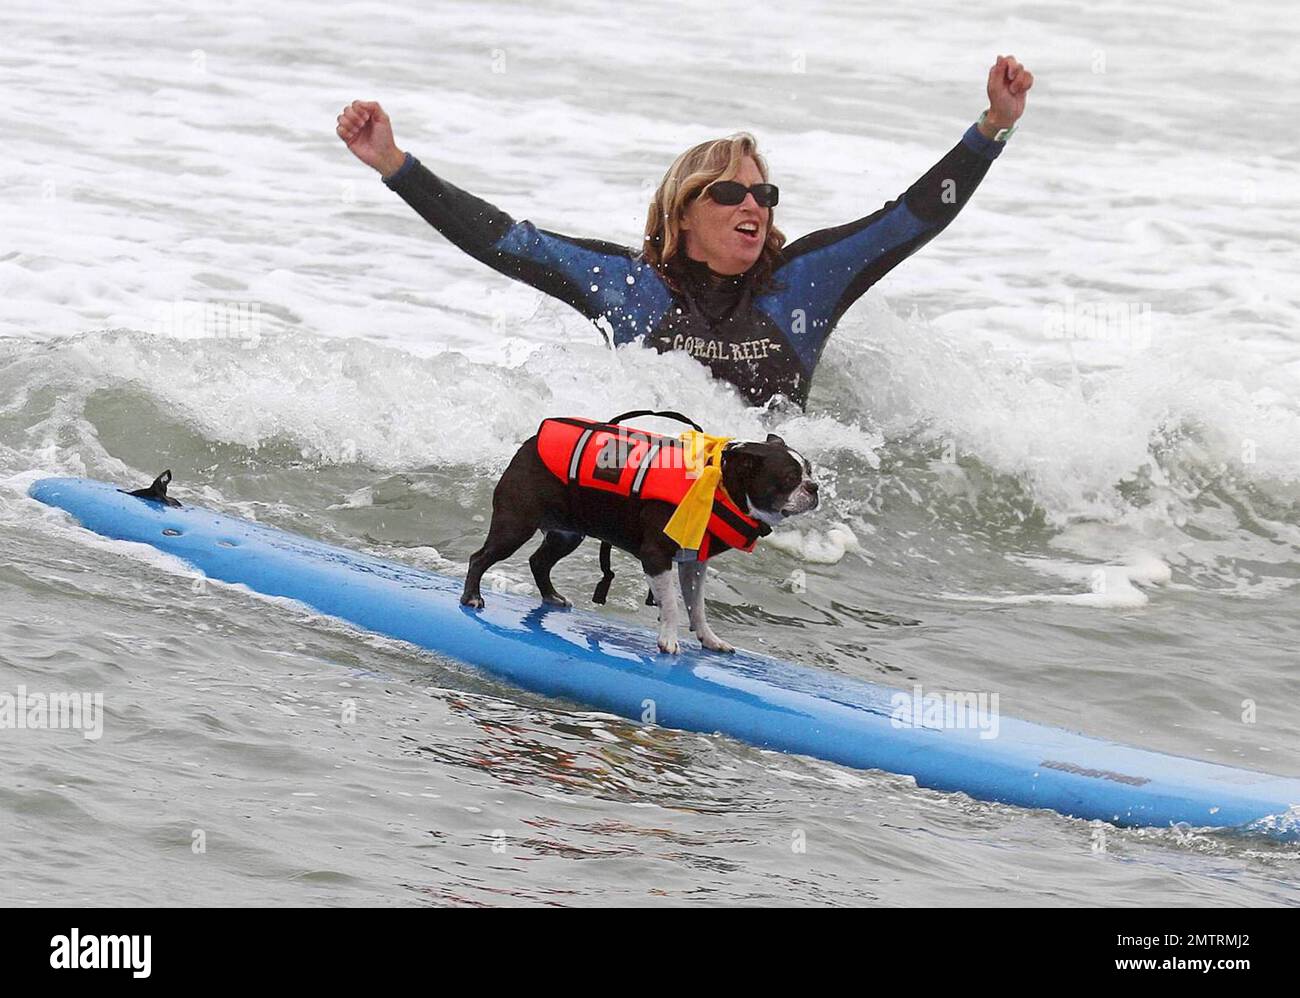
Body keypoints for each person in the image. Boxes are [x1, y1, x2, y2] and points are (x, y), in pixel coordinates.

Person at [337, 56, 1033, 408]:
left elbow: (911, 217)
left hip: (773, 511)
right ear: (681, 213)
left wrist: (992, 126)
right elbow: (503, 240)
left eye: (763, 193)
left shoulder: (806, 281)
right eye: (729, 192)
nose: (752, 205)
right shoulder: (628, 285)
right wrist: (396, 166)